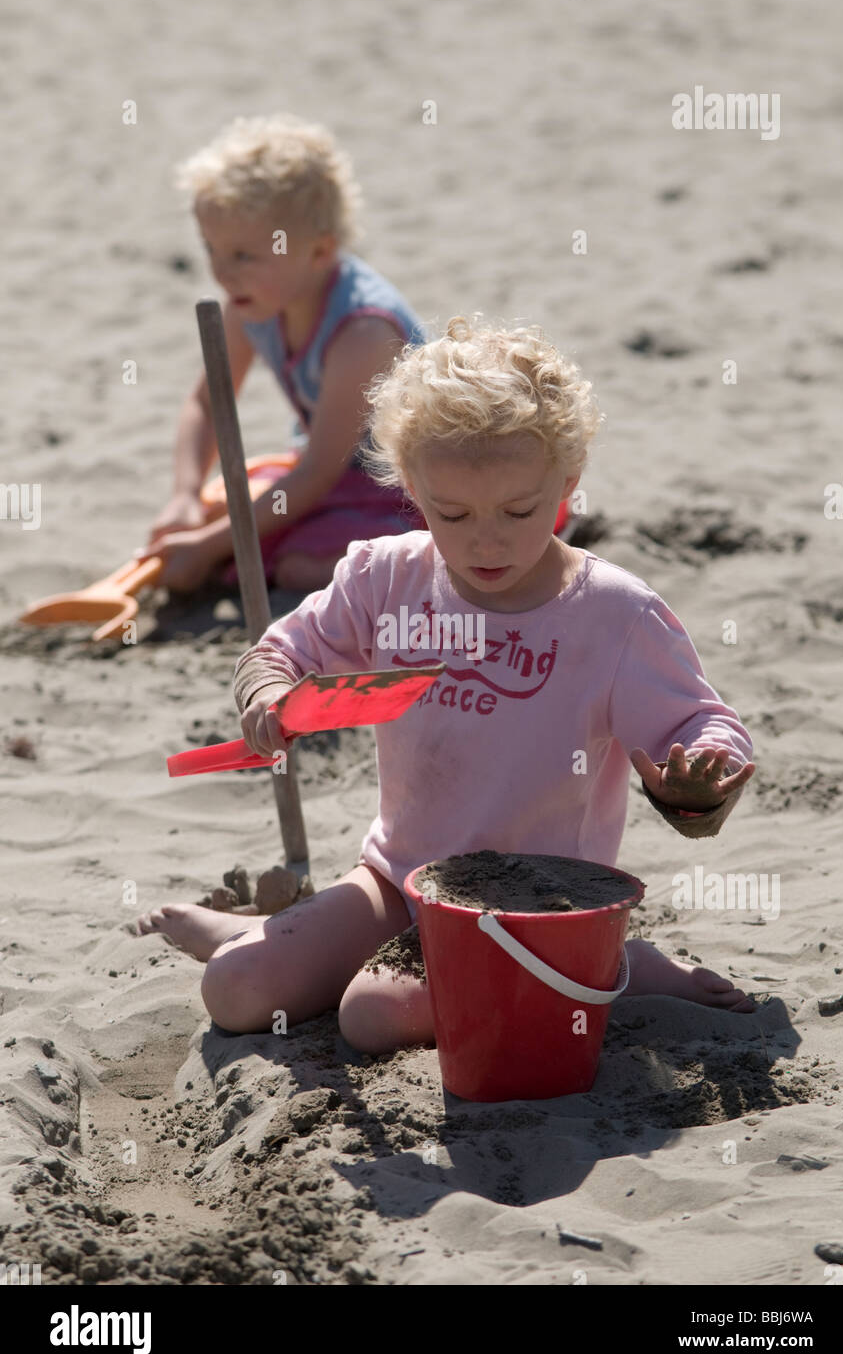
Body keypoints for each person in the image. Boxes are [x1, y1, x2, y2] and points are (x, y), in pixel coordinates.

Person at [137, 316, 757, 1055]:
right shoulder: (383, 576)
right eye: (451, 513)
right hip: (399, 879)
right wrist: (268, 696)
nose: (485, 540)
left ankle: (622, 967)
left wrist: (698, 779)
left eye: (519, 511)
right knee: (236, 991)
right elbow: (282, 651)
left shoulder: (613, 614)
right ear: (409, 485)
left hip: (537, 905)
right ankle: (262, 937)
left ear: (570, 477)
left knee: (370, 1015)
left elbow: (700, 726)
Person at [139, 114, 425, 595]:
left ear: (319, 251)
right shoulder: (254, 303)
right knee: (209, 512)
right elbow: (209, 402)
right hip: (330, 475)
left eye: (245, 256)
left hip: (401, 484)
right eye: (213, 249)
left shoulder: (363, 332)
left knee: (298, 567)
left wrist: (208, 547)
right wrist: (184, 494)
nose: (223, 274)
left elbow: (316, 473)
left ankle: (417, 558)